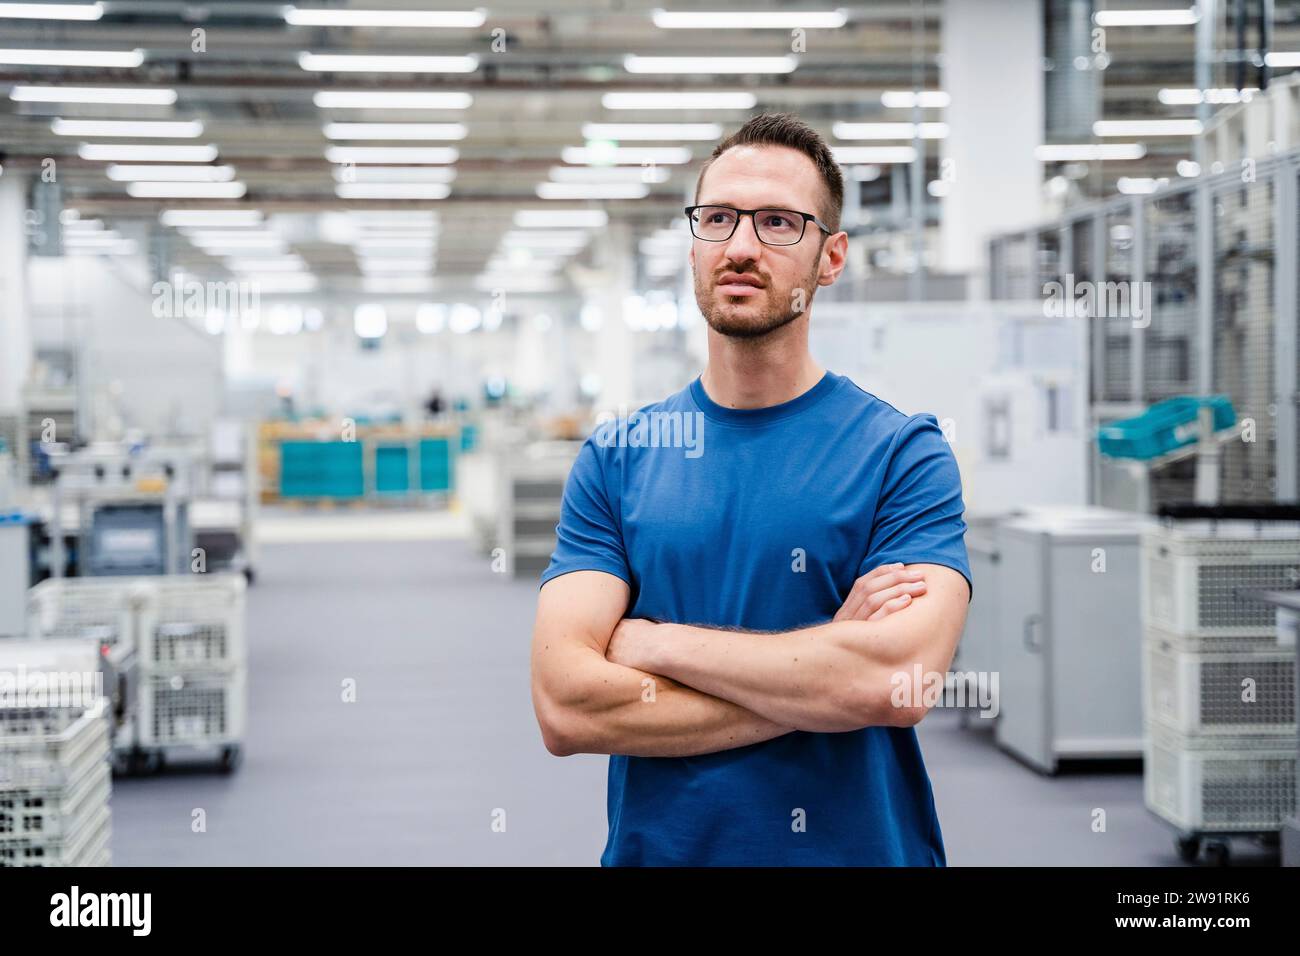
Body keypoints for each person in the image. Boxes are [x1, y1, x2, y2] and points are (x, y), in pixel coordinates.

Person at [530, 112, 972, 866]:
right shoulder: (619, 457)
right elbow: (567, 706)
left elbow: (894, 681)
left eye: (777, 223)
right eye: (719, 219)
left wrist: (655, 644)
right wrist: (822, 675)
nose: (740, 247)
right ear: (694, 241)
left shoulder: (902, 454)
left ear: (830, 258)